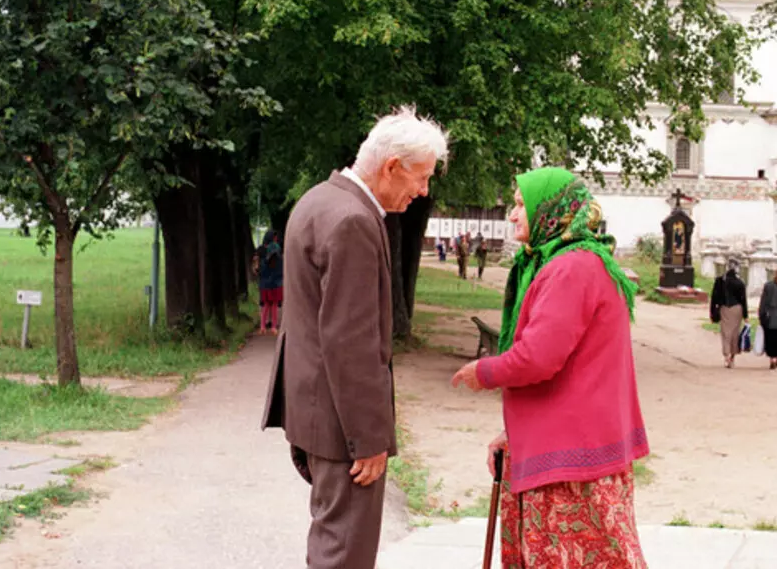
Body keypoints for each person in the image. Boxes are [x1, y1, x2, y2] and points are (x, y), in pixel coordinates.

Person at [261, 106, 448, 569]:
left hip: (316, 412)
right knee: (345, 554)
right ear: (391, 167)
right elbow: (352, 342)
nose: (423, 191)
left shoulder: (319, 199)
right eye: (421, 178)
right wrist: (368, 438)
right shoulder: (354, 220)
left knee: (332, 543)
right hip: (342, 426)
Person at [451, 168, 648, 568]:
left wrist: (483, 373)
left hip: (572, 466)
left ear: (552, 213)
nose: (512, 214)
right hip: (570, 450)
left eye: (522, 205)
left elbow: (538, 357)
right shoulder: (572, 262)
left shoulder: (571, 268)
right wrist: (515, 434)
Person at [709, 258, 748, 368]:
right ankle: (732, 356)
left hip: (725, 309)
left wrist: (712, 313)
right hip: (737, 309)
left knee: (726, 333)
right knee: (735, 333)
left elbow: (714, 298)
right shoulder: (740, 282)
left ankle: (726, 356)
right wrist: (746, 316)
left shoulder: (720, 281)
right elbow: (743, 300)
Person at [258, 229, 284, 335]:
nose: (276, 239)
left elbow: (258, 268)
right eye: (274, 237)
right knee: (272, 305)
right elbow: (279, 266)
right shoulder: (276, 248)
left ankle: (263, 326)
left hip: (265, 282)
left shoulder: (260, 250)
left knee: (266, 305)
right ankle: (273, 326)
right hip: (274, 282)